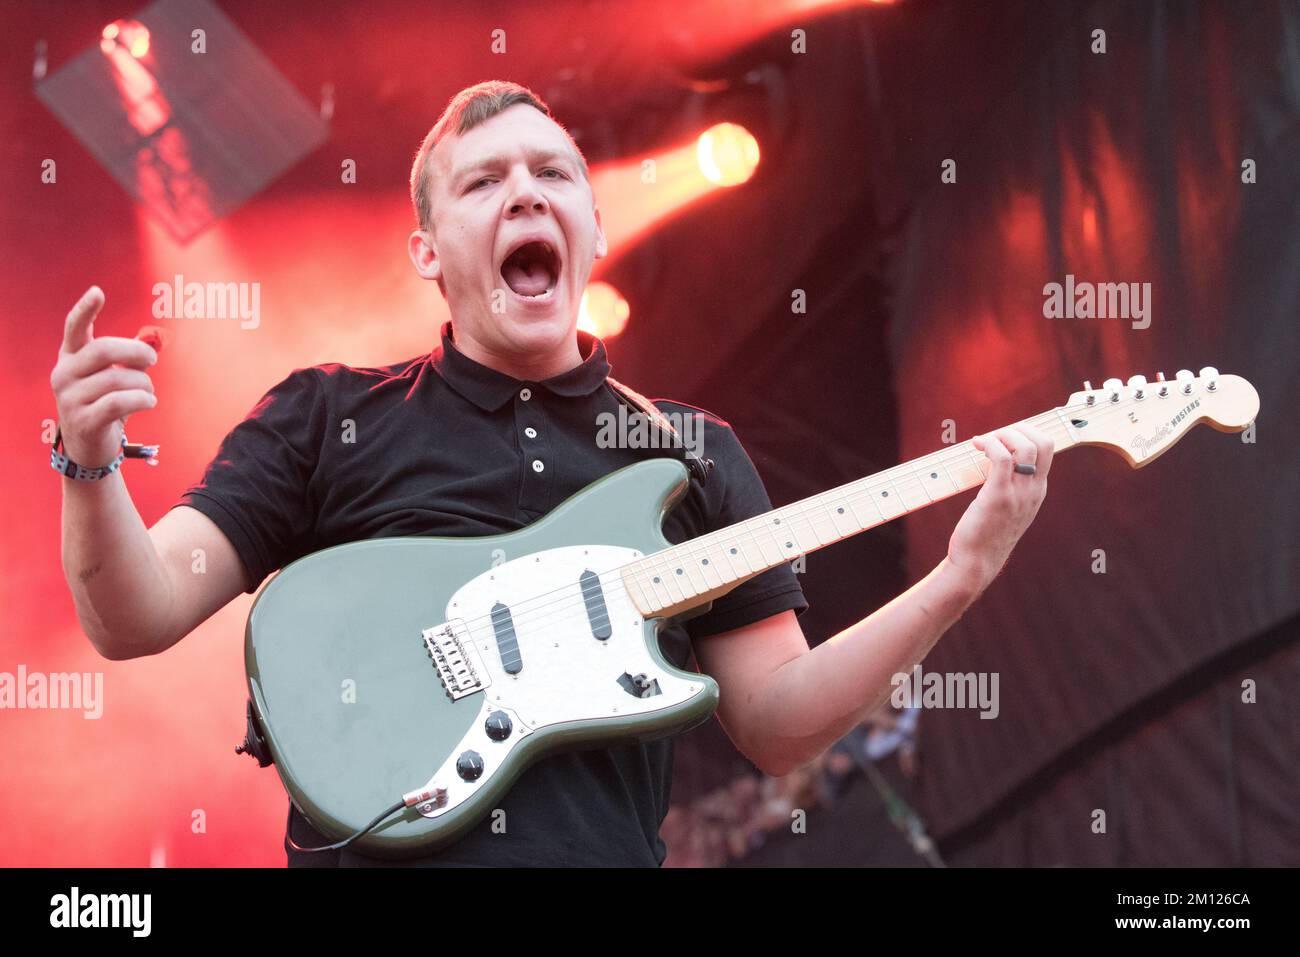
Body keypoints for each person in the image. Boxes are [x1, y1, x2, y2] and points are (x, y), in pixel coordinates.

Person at [50, 80, 1054, 867]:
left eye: (553, 173)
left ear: (594, 227)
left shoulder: (692, 452)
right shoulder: (324, 416)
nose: (525, 191)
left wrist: (956, 578)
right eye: (483, 182)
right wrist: (90, 469)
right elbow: (133, 616)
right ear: (427, 251)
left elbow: (776, 726)